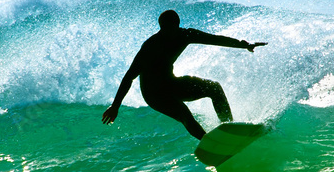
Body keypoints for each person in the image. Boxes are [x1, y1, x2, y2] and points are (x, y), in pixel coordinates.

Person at [102, 10, 266, 140]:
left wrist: (243, 45)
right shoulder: (151, 46)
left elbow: (214, 39)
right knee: (184, 114)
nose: (168, 33)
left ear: (177, 25)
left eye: (171, 28)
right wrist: (115, 106)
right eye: (164, 29)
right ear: (160, 27)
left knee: (214, 88)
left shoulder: (184, 35)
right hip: (153, 93)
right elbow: (129, 76)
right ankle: (208, 142)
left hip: (171, 83)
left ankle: (230, 128)